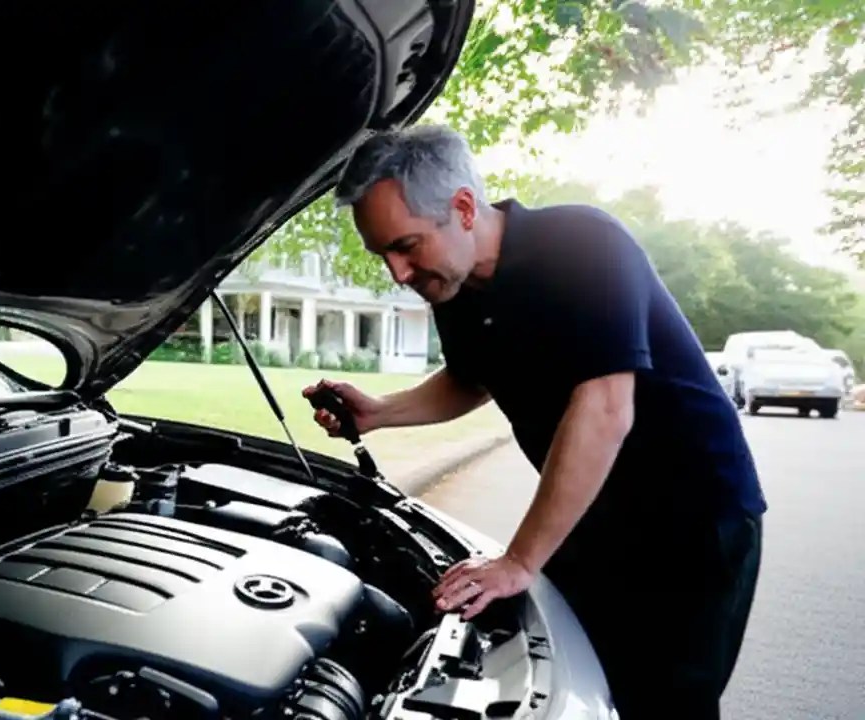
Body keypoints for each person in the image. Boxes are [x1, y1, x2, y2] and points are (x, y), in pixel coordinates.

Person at [302, 125, 764, 718]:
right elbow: (471, 379)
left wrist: (519, 560)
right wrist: (381, 412)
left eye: (407, 245)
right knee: (578, 685)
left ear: (464, 208)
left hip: (694, 522)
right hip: (590, 518)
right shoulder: (457, 288)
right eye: (383, 254)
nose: (397, 273)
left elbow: (603, 409)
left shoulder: (584, 244)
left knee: (664, 703)